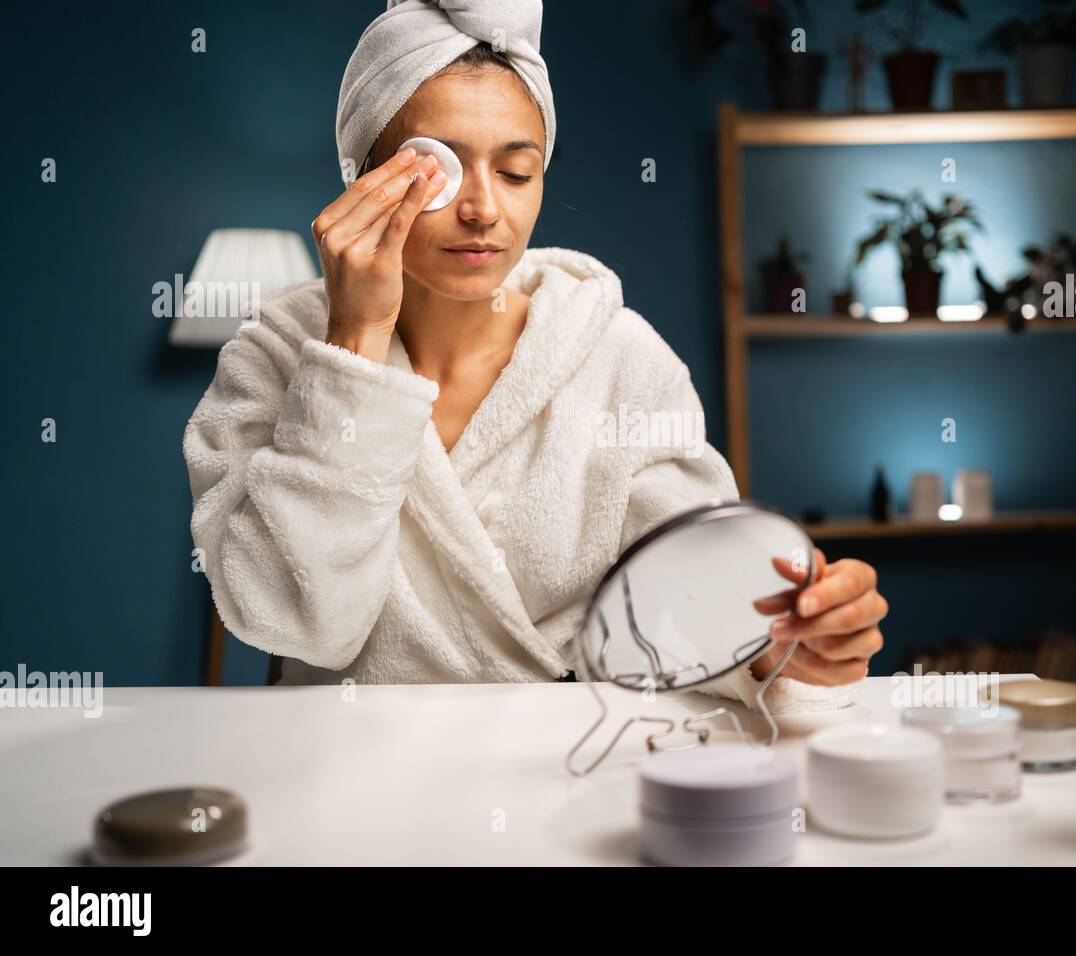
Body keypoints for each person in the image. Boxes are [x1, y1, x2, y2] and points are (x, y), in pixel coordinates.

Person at [182, 0, 888, 713]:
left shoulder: (618, 359)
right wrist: (354, 348)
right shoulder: (272, 360)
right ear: (362, 175)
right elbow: (295, 623)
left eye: (518, 172)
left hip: (556, 768)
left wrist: (776, 641)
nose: (485, 209)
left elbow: (692, 597)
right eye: (441, 171)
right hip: (337, 769)